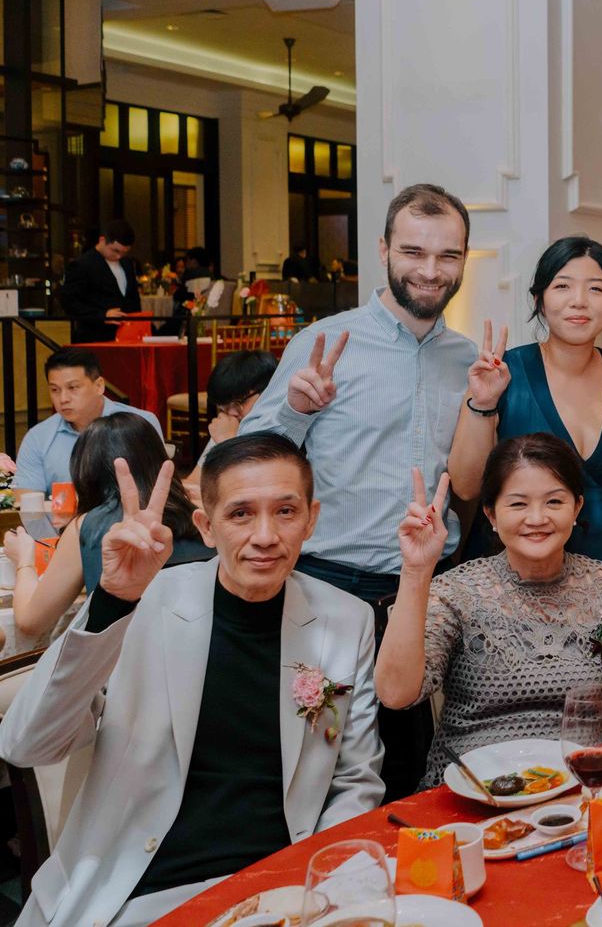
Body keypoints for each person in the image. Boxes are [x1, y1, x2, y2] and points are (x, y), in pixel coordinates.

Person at [0, 433, 384, 926]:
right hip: (142, 886)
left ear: (311, 519)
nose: (265, 535)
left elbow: (354, 778)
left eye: (285, 512)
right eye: (241, 514)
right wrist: (112, 602)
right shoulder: (145, 603)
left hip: (282, 884)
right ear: (206, 526)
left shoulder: (345, 620)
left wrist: (322, 887)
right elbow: (27, 745)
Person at [240, 183, 485, 799]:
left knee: (407, 772)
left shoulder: (469, 361)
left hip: (422, 592)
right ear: (382, 250)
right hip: (328, 585)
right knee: (309, 767)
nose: (430, 270)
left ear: (463, 260)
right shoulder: (328, 344)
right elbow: (241, 460)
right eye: (413, 251)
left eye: (447, 255)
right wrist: (295, 410)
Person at [377, 434, 602, 786]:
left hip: (580, 786)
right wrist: (416, 571)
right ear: (491, 513)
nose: (537, 518)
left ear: (577, 507)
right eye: (518, 504)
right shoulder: (457, 591)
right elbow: (395, 695)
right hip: (473, 791)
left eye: (554, 501)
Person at [449, 236, 602, 567]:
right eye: (562, 286)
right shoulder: (502, 373)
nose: (579, 301)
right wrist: (484, 403)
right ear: (539, 299)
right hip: (507, 575)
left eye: (595, 289)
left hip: (601, 575)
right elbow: (466, 487)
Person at [4, 413, 211, 649]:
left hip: (123, 665)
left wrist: (24, 560)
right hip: (201, 655)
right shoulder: (202, 515)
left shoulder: (87, 526)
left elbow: (31, 621)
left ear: (86, 471)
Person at [12, 348, 161, 494]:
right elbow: (27, 504)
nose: (63, 399)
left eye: (73, 387)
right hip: (62, 519)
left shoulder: (141, 423)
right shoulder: (38, 437)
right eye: (55, 390)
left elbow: (156, 489)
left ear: (99, 386)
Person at [183, 350, 278, 503]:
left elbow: (256, 495)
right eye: (223, 407)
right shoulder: (231, 422)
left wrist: (228, 444)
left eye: (238, 403)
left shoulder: (280, 429)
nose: (231, 413)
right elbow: (194, 481)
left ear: (270, 390)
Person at [59, 219, 141, 343]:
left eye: (124, 253)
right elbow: (69, 302)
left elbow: (133, 298)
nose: (119, 256)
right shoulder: (82, 265)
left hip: (127, 337)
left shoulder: (127, 263)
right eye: (115, 251)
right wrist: (102, 315)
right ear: (102, 240)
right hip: (95, 336)